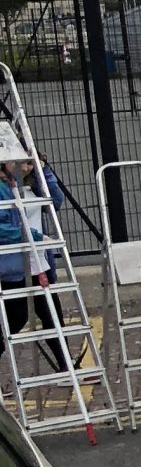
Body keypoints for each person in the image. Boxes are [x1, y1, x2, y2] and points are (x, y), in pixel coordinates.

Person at [0, 157, 74, 380]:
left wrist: (44, 170)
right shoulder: (4, 189)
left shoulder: (33, 185)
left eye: (30, 163)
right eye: (19, 162)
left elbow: (56, 201)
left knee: (52, 315)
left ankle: (66, 367)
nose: (25, 167)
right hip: (14, 264)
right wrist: (35, 236)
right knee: (16, 319)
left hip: (40, 262)